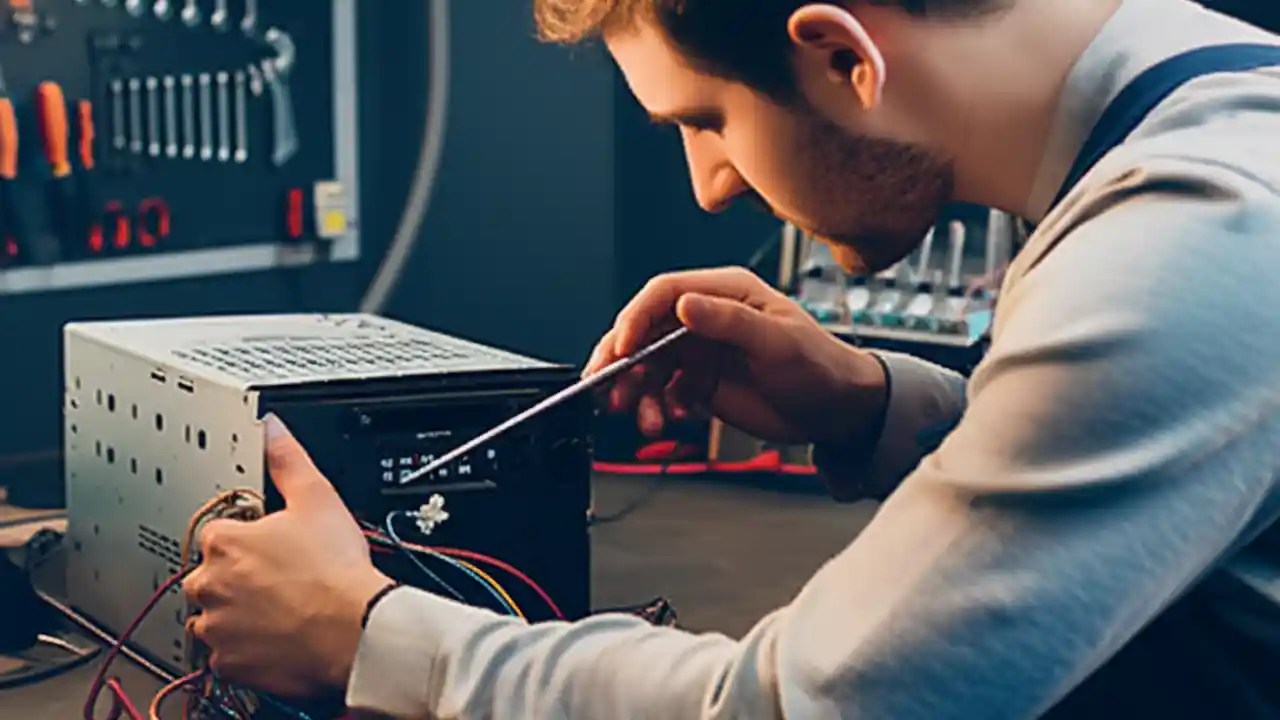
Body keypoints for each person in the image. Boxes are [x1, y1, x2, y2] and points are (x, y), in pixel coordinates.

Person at [182, 0, 1280, 717]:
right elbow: (1173, 476)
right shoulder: (1196, 105)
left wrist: (366, 633)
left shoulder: (1191, 236)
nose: (709, 184)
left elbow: (809, 707)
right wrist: (870, 402)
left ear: (841, 54)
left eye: (702, 119)